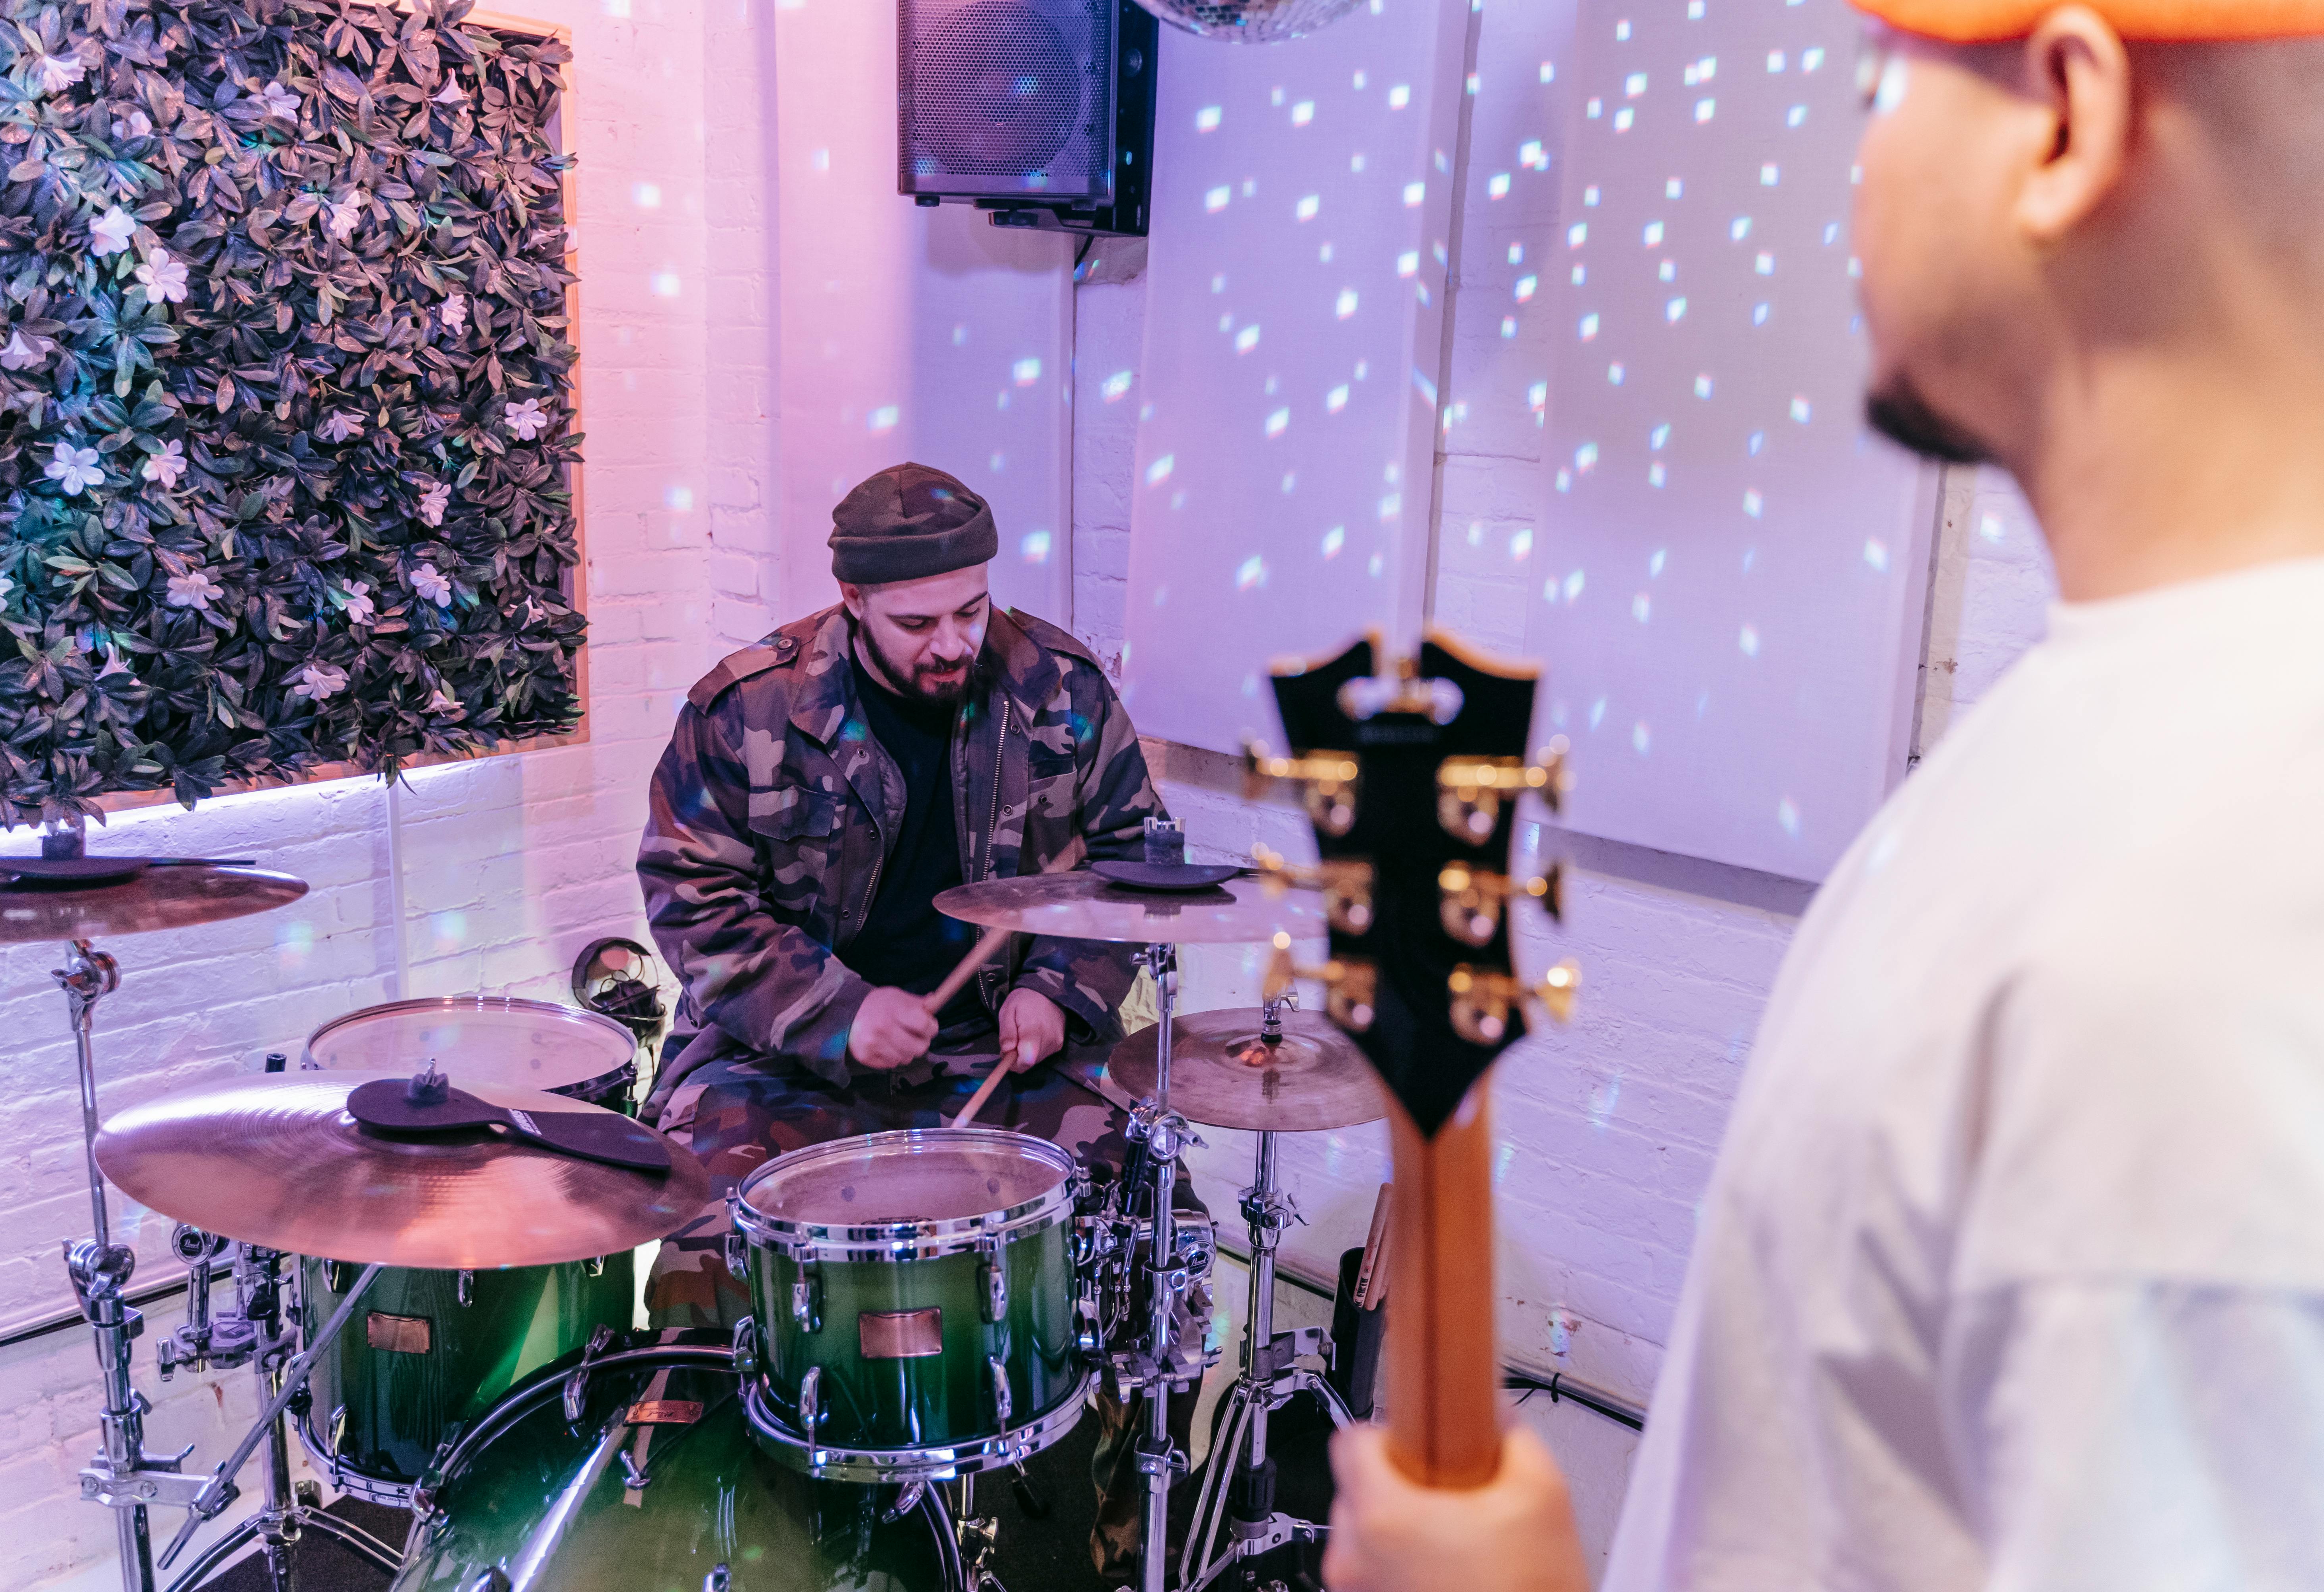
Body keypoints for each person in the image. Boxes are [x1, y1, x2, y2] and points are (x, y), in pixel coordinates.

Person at [1325, 4, 2324, 1589]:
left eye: (1882, 87)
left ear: (2067, 115)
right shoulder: (2138, 762)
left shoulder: (2194, 931)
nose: (1852, 165)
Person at [636, 460, 1198, 1577]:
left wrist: (1058, 987)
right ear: (853, 604)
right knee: (703, 1246)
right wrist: (839, 1010)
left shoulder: (1063, 689)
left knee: (1149, 1234)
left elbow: (1142, 864)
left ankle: (1101, 1540)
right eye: (919, 621)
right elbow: (686, 891)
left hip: (1004, 1045)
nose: (952, 641)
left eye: (972, 610)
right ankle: (715, 1534)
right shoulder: (746, 708)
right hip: (783, 1054)